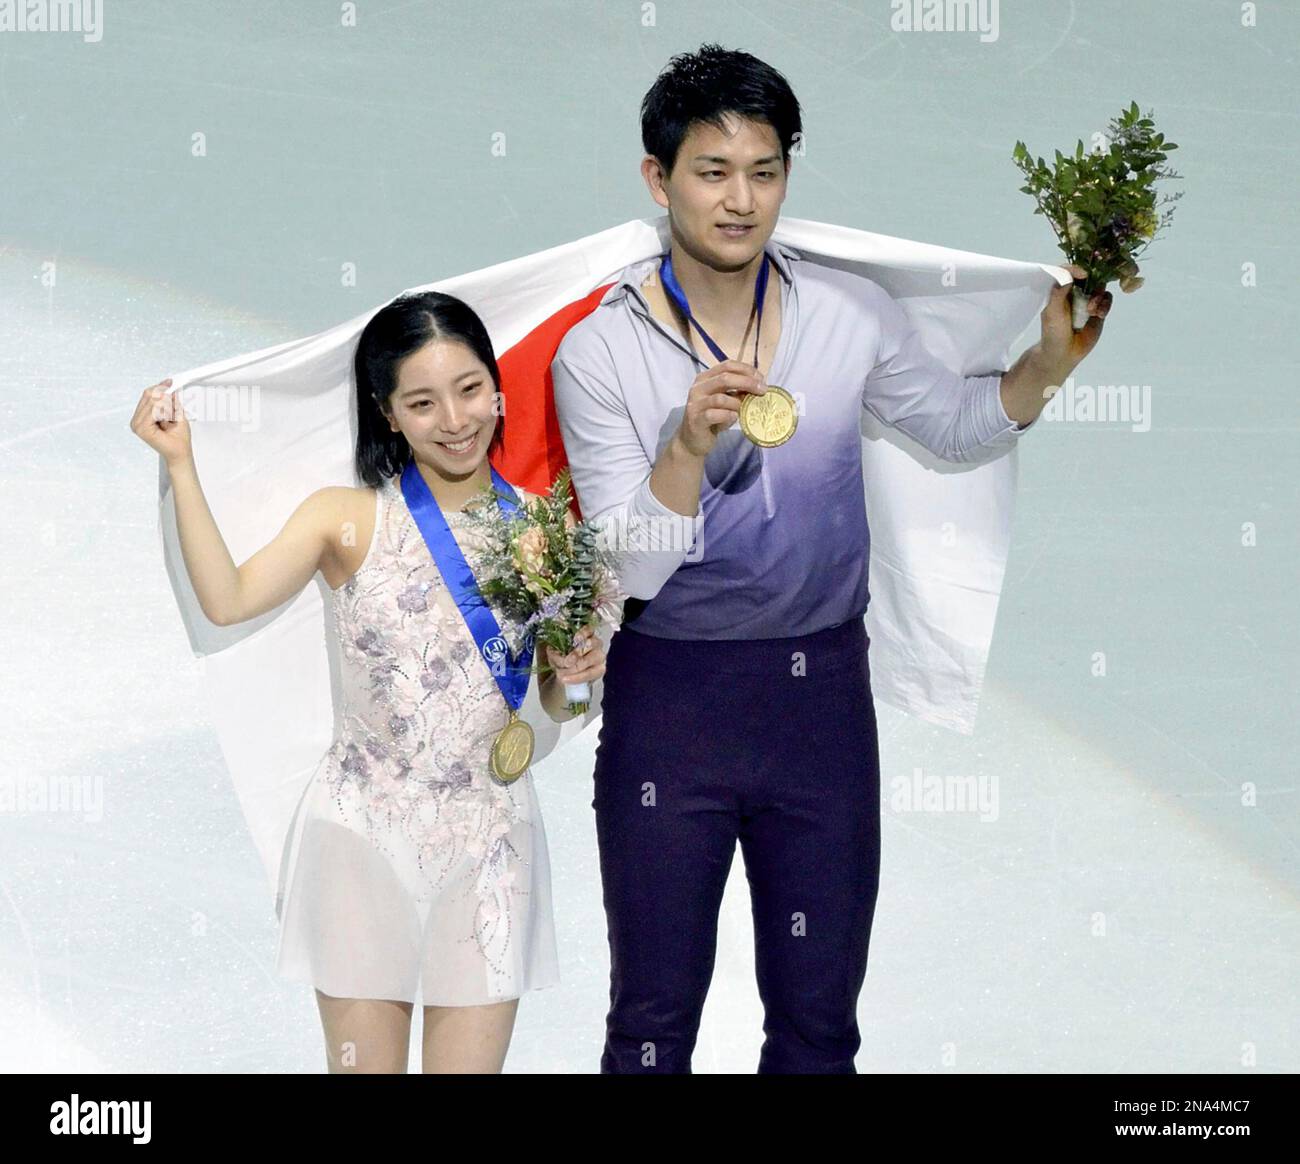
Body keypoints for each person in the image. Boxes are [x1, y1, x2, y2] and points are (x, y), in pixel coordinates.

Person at [550, 43, 1116, 1073]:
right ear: (657, 178)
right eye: (711, 172)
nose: (740, 200)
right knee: (648, 1028)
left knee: (819, 1029)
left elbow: (950, 426)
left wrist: (1045, 364)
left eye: (764, 172)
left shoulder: (848, 314)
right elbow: (625, 569)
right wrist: (685, 446)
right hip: (667, 707)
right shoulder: (600, 353)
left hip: (817, 710)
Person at [131, 291, 608, 1073]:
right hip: (362, 836)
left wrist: (579, 680)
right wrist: (181, 466)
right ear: (388, 414)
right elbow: (228, 601)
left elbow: (561, 702)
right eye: (421, 402)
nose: (454, 419)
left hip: (490, 838)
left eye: (468, 390)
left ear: (498, 388)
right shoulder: (345, 520)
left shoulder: (546, 531)